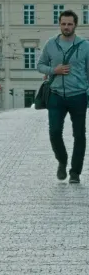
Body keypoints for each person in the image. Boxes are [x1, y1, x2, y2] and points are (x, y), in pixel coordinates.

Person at [37, 10, 89, 183]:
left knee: (79, 135)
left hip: (78, 95)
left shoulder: (84, 46)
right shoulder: (51, 44)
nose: (66, 27)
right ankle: (62, 161)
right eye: (63, 24)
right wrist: (54, 70)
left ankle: (75, 173)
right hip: (56, 95)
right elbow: (40, 65)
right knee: (54, 132)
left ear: (75, 25)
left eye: (70, 24)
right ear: (59, 24)